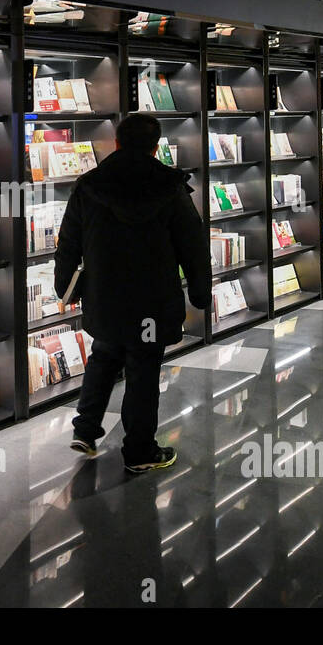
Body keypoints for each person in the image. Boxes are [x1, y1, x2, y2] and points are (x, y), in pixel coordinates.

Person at [53, 113, 211, 472]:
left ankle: (86, 428)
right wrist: (201, 294)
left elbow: (68, 242)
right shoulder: (170, 188)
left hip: (104, 296)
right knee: (143, 368)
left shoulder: (89, 186)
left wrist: (65, 288)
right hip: (151, 300)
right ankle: (139, 451)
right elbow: (193, 246)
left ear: (117, 143)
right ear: (156, 147)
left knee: (104, 352)